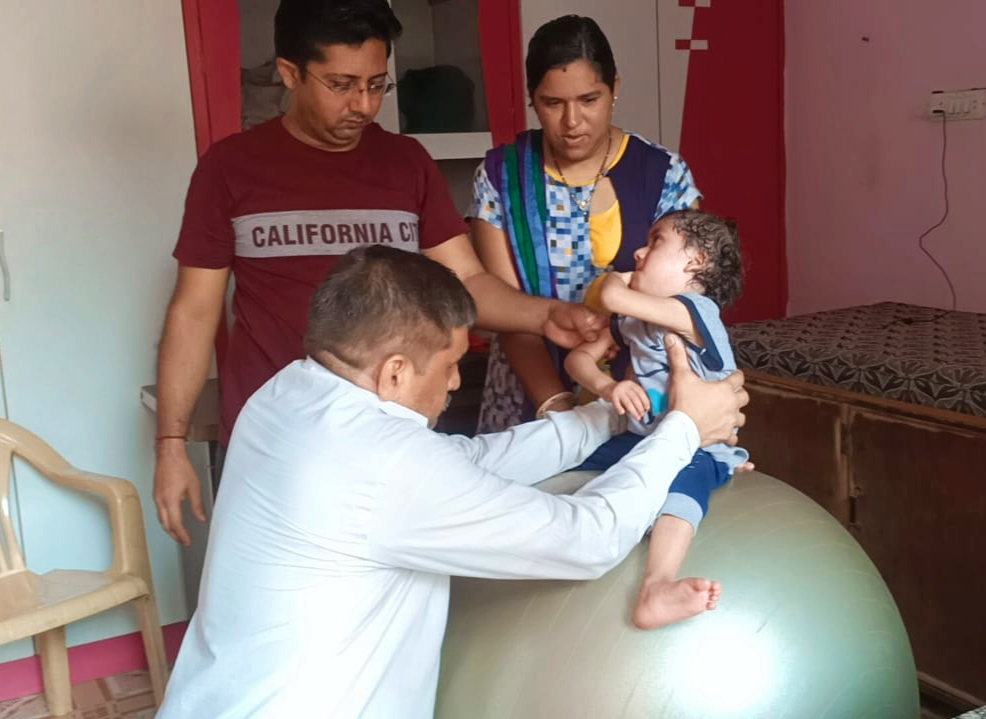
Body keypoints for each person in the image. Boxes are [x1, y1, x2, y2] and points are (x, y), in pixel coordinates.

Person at [154, 245, 747, 719]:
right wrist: (684, 429)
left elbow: (463, 462)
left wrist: (608, 417)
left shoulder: (287, 393)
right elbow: (585, 538)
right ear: (394, 373)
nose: (456, 384)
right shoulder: (384, 464)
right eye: (449, 366)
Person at [153, 0, 603, 546]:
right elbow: (194, 311)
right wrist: (170, 444)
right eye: (341, 85)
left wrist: (547, 315)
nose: (363, 106)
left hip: (392, 445)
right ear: (290, 73)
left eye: (375, 85)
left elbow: (466, 282)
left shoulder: (406, 163)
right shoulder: (230, 168)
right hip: (274, 446)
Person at [470, 14, 702, 434]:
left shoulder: (663, 174)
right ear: (532, 98)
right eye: (553, 103)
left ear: (614, 88)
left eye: (589, 99)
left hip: (641, 398)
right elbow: (502, 308)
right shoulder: (503, 177)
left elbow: (687, 301)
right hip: (527, 402)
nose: (572, 122)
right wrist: (556, 407)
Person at [564, 209, 750, 629]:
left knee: (685, 482)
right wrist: (608, 386)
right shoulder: (633, 320)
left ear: (695, 262)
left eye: (656, 242)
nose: (639, 252)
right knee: (574, 460)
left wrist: (616, 278)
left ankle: (657, 585)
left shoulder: (694, 311)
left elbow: (612, 298)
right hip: (644, 438)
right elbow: (578, 360)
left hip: (697, 446)